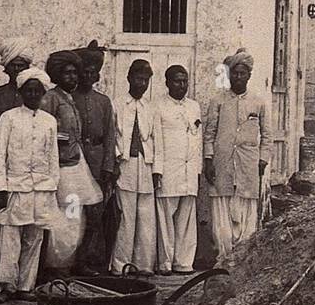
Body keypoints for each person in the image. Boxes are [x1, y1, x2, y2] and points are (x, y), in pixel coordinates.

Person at [0, 67, 59, 303]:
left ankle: (26, 286)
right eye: (29, 91)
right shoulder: (9, 118)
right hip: (14, 186)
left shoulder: (49, 121)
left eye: (38, 91)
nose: (34, 95)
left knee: (34, 238)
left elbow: (53, 157)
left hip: (41, 187)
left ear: (43, 94)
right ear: (21, 93)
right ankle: (6, 285)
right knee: (11, 237)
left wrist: (52, 185)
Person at [203, 49, 271, 267]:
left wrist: (262, 159)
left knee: (246, 210)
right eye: (235, 73)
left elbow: (267, 135)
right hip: (222, 163)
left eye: (242, 73)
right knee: (222, 211)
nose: (238, 77)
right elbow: (209, 133)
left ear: (249, 75)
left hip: (248, 164)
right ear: (229, 75)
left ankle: (242, 260)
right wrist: (208, 160)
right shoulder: (218, 100)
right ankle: (223, 258)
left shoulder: (258, 102)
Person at [41, 50, 101, 270]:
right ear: (57, 75)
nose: (73, 78)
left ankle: (73, 261)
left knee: (75, 216)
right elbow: (44, 131)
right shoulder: (50, 98)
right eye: (67, 74)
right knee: (64, 217)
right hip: (61, 166)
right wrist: (66, 139)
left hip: (76, 165)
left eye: (75, 73)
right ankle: (57, 265)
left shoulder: (69, 99)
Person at [72, 41, 117, 274]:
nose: (88, 76)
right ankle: (69, 260)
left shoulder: (104, 102)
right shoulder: (69, 99)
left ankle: (89, 260)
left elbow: (110, 136)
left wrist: (108, 166)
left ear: (97, 75)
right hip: (75, 163)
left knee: (95, 215)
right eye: (84, 72)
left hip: (97, 163)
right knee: (73, 213)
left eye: (92, 73)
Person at [111, 60, 158, 275]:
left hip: (146, 166)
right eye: (138, 79)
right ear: (129, 78)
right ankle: (120, 265)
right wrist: (115, 161)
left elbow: (158, 141)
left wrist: (157, 169)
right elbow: (112, 136)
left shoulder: (151, 107)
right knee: (126, 217)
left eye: (146, 80)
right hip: (125, 165)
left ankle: (143, 265)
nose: (142, 84)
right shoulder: (118, 104)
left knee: (146, 217)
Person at [154, 63, 201, 276]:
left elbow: (197, 139)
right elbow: (157, 142)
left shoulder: (194, 107)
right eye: (177, 81)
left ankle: (184, 263)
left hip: (189, 171)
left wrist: (198, 168)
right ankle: (165, 263)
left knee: (187, 219)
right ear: (167, 83)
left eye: (185, 81)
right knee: (165, 219)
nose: (182, 85)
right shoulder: (158, 106)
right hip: (168, 170)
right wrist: (157, 170)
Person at [0, 38, 36, 197]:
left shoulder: (35, 95)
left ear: (27, 67)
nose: (17, 69)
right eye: (13, 65)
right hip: (0, 165)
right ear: (6, 67)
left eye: (21, 65)